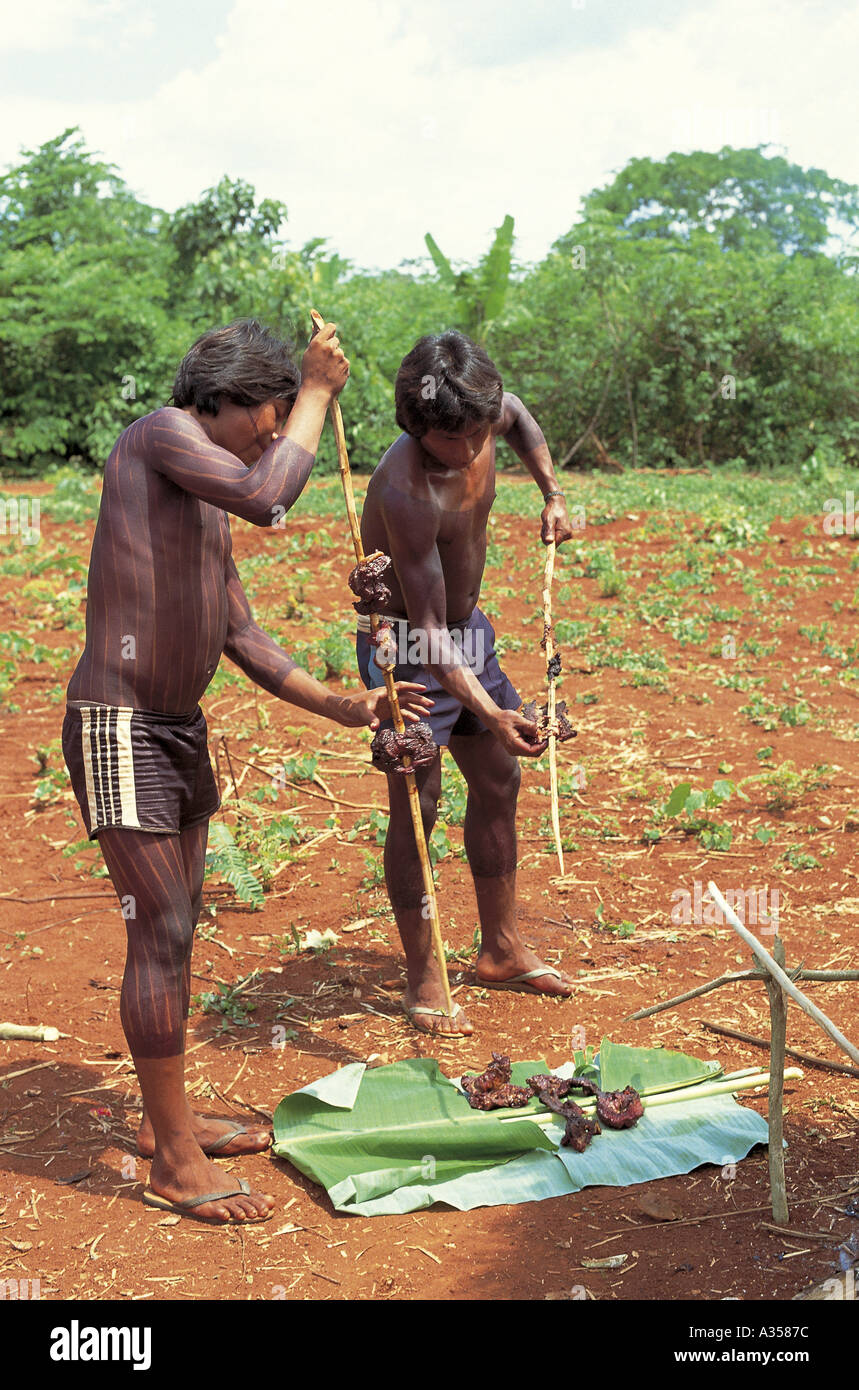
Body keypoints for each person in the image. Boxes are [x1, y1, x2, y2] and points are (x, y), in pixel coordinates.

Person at [62, 318, 431, 1223]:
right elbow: (270, 500)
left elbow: (242, 635)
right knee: (160, 927)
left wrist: (344, 705)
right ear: (221, 398)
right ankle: (172, 1161)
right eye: (268, 414)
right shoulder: (160, 434)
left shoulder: (200, 500)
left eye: (283, 415)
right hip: (118, 725)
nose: (273, 434)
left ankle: (167, 1122)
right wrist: (317, 391)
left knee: (178, 929)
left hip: (175, 729)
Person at [357, 330, 577, 1037]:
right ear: (418, 425)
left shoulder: (483, 412)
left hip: (468, 633)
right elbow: (425, 630)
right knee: (417, 805)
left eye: (480, 431)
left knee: (499, 779)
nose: (473, 448)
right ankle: (424, 971)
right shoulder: (405, 490)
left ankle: (500, 949)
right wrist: (493, 709)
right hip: (410, 649)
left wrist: (552, 494)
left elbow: (519, 419)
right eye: (455, 439)